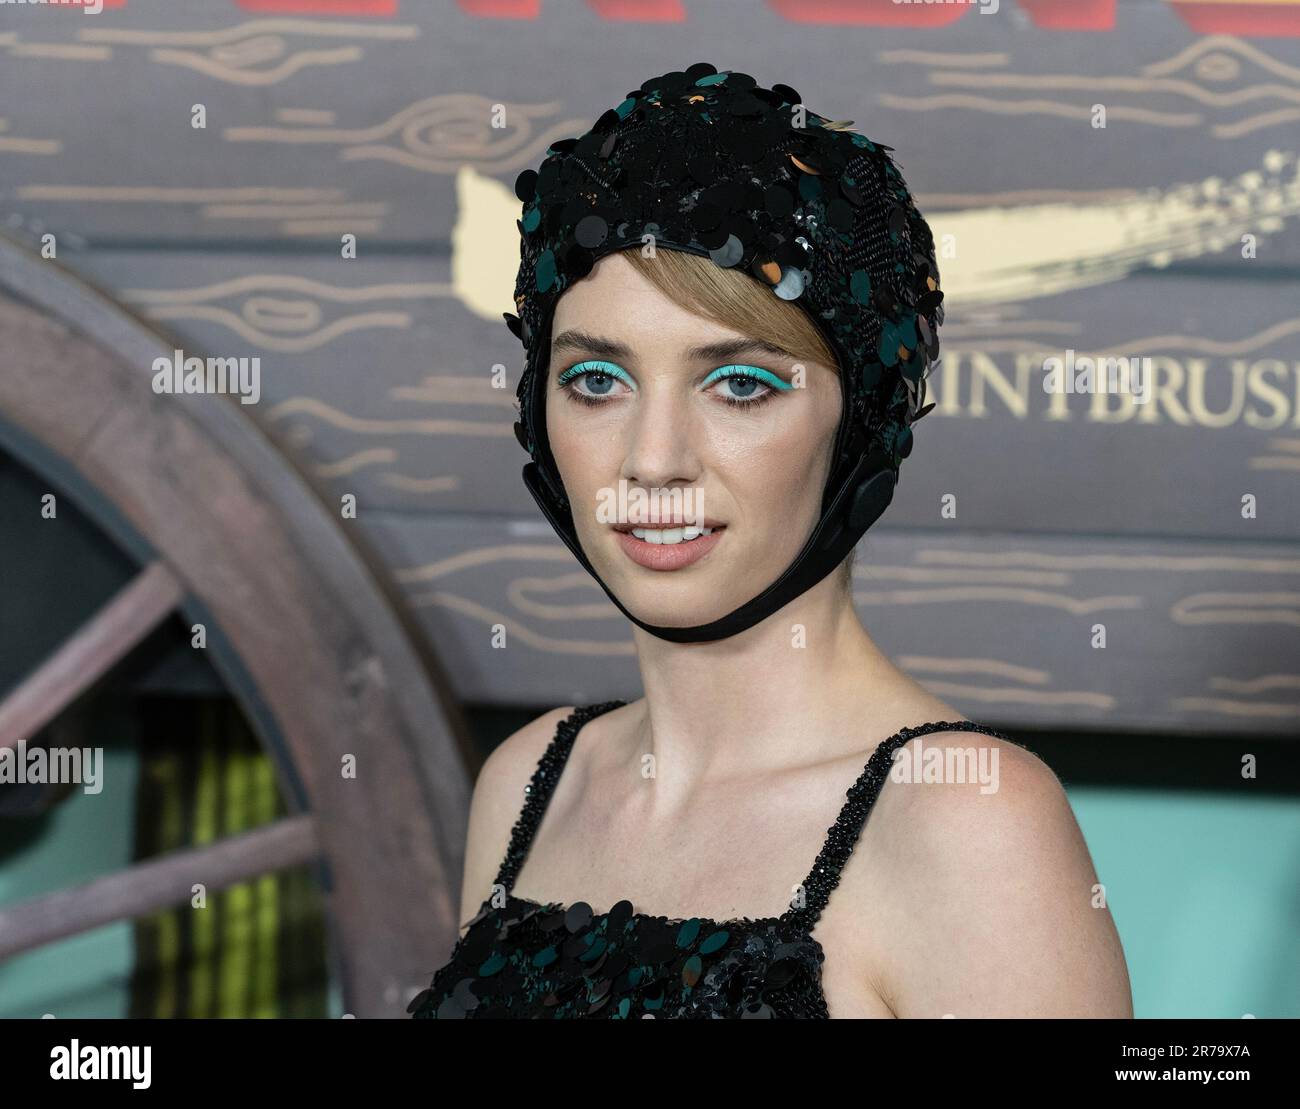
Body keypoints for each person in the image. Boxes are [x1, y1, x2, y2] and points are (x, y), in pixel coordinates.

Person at [411, 63, 1132, 1019]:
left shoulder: (968, 820)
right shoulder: (532, 779)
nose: (652, 460)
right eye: (595, 380)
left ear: (861, 421)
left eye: (741, 384)